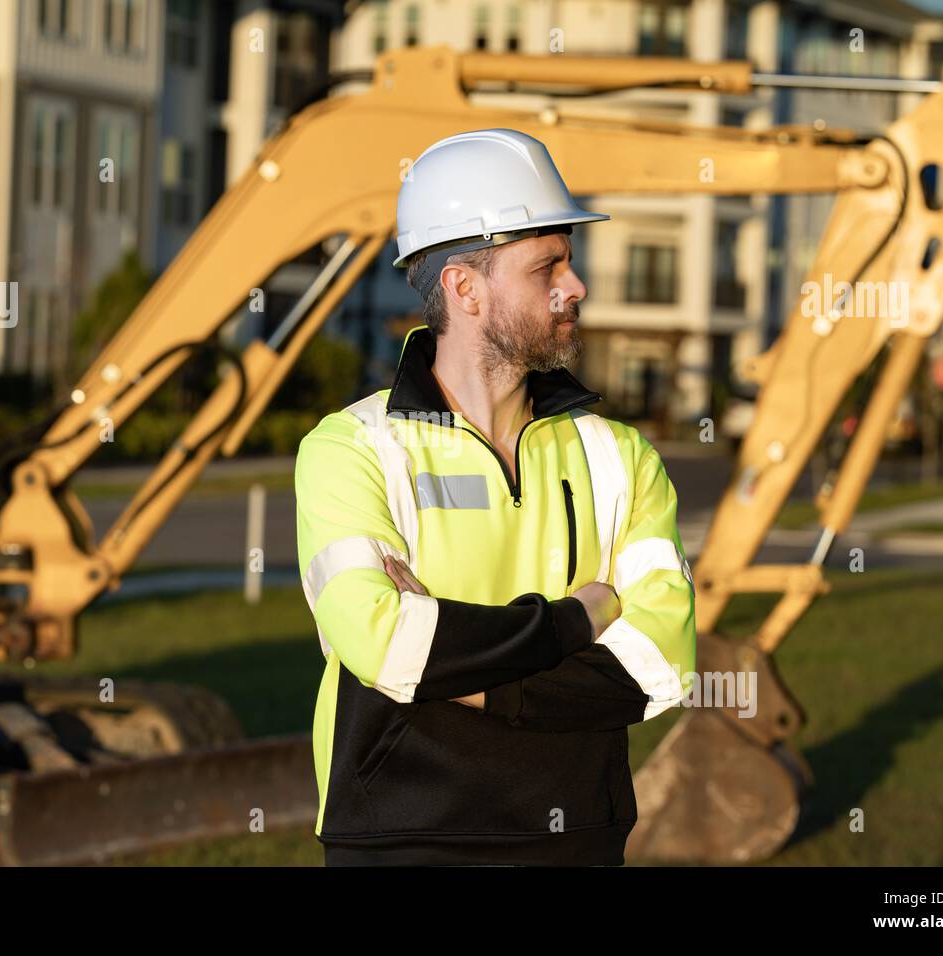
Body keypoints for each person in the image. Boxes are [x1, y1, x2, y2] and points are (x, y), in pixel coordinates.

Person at [294, 128, 696, 866]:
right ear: (464, 286)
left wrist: (464, 676)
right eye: (547, 264)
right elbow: (388, 648)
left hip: (576, 834)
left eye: (569, 263)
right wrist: (579, 618)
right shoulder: (350, 449)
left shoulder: (621, 457)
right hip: (397, 837)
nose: (574, 287)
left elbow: (659, 669)